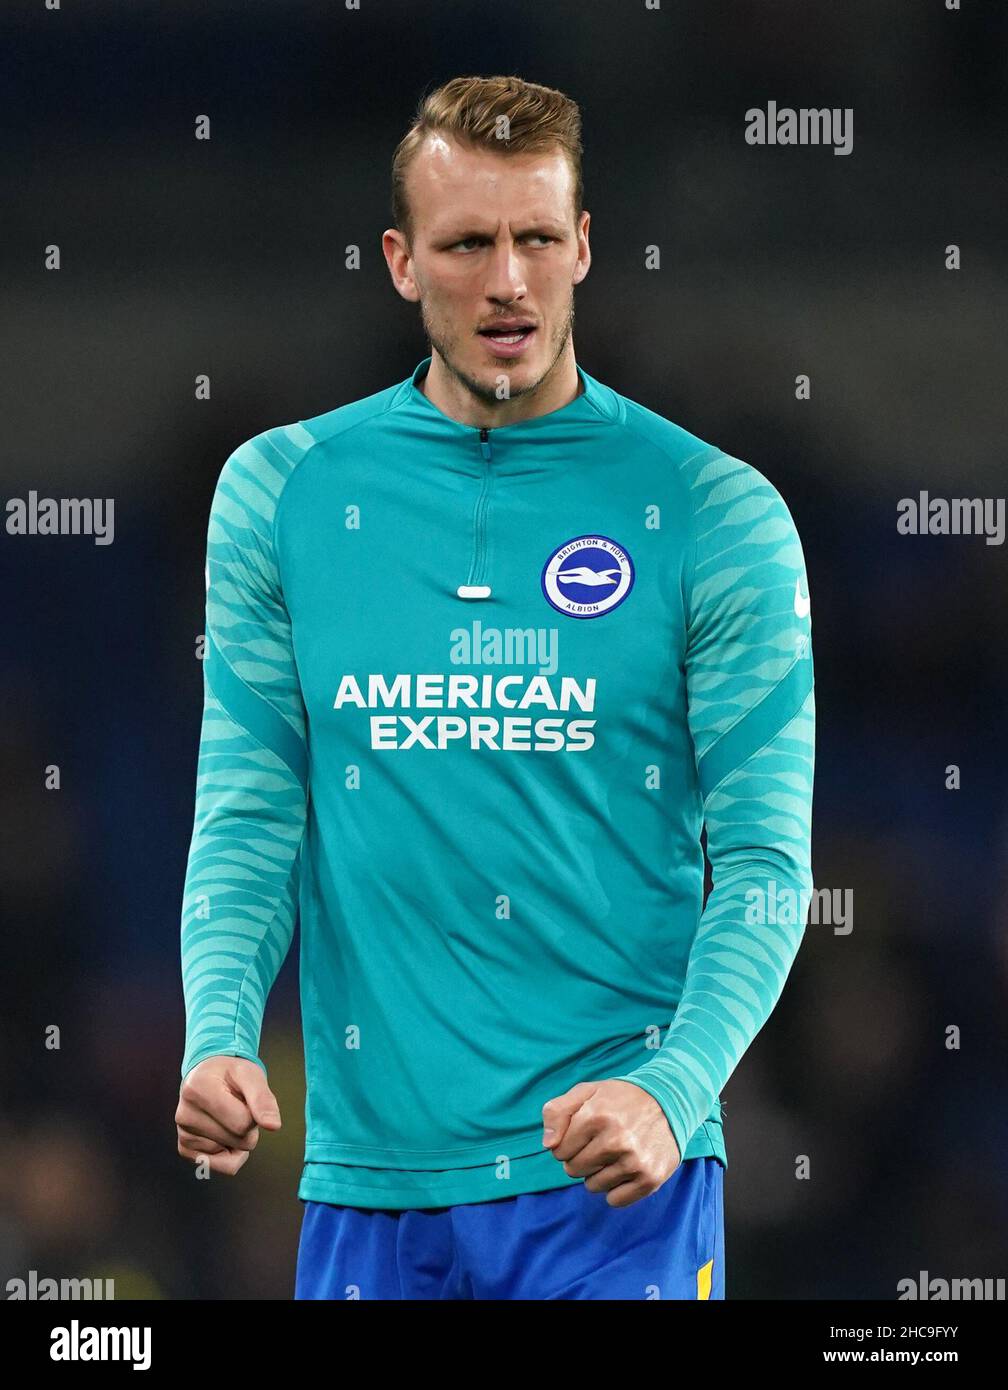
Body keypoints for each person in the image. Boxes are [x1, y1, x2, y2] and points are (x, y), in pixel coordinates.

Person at [176, 73, 815, 1301]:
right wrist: (217, 1032)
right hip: (371, 1193)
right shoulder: (282, 494)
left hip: (619, 1186)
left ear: (583, 245)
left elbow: (770, 871)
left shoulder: (717, 515)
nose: (508, 282)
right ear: (401, 261)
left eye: (535, 239)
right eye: (468, 243)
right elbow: (251, 815)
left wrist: (671, 1090)